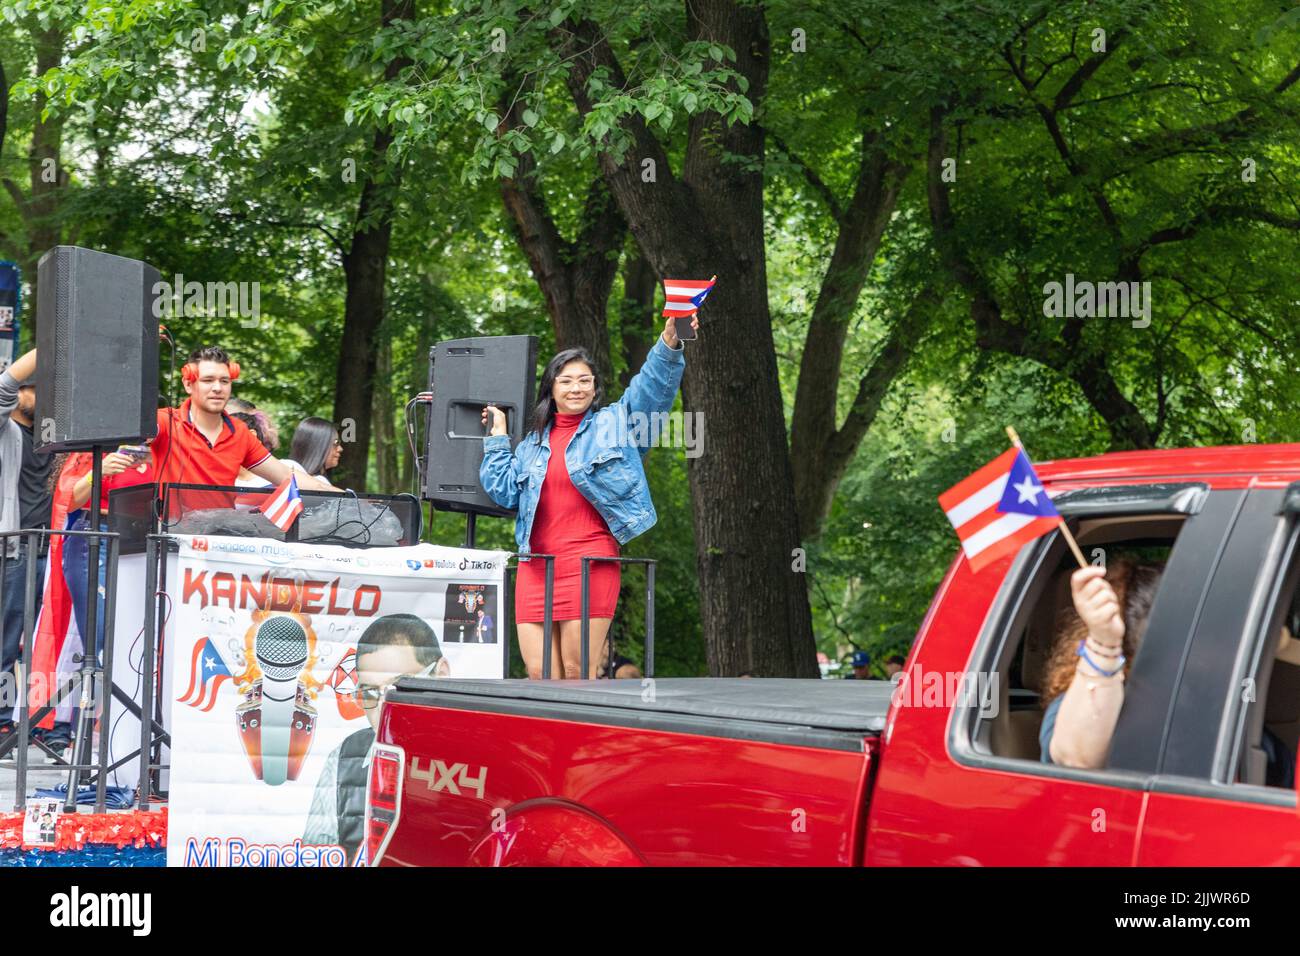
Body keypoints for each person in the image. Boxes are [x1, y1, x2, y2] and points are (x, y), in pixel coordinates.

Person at [479, 313, 695, 679]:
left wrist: (670, 341)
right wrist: (498, 436)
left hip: (588, 564)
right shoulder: (533, 443)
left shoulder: (614, 425)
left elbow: (651, 391)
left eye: (584, 381)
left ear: (595, 389)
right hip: (537, 565)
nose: (576, 388)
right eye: (566, 381)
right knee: (539, 672)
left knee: (580, 670)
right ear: (552, 389)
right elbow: (503, 492)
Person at [303, 614, 449, 863]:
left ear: (441, 674)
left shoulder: (479, 757)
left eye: (400, 689)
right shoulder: (343, 758)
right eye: (370, 693)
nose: (384, 706)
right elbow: (313, 857)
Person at [149, 346, 328, 493]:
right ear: (188, 384)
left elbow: (287, 476)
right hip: (170, 533)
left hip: (221, 532)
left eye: (225, 381)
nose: (217, 388)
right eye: (208, 380)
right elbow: (126, 438)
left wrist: (349, 499)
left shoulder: (240, 432)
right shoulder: (165, 421)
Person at [0, 349, 44, 710]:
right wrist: (65, 335)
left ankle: (35, 720)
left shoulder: (55, 435)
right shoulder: (5, 428)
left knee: (41, 643)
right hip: (15, 551)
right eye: (34, 387)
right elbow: (5, 384)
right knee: (5, 640)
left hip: (55, 549)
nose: (42, 394)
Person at [282, 417, 342, 490]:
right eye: (336, 443)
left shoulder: (282, 473)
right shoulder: (288, 466)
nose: (340, 449)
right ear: (318, 445)